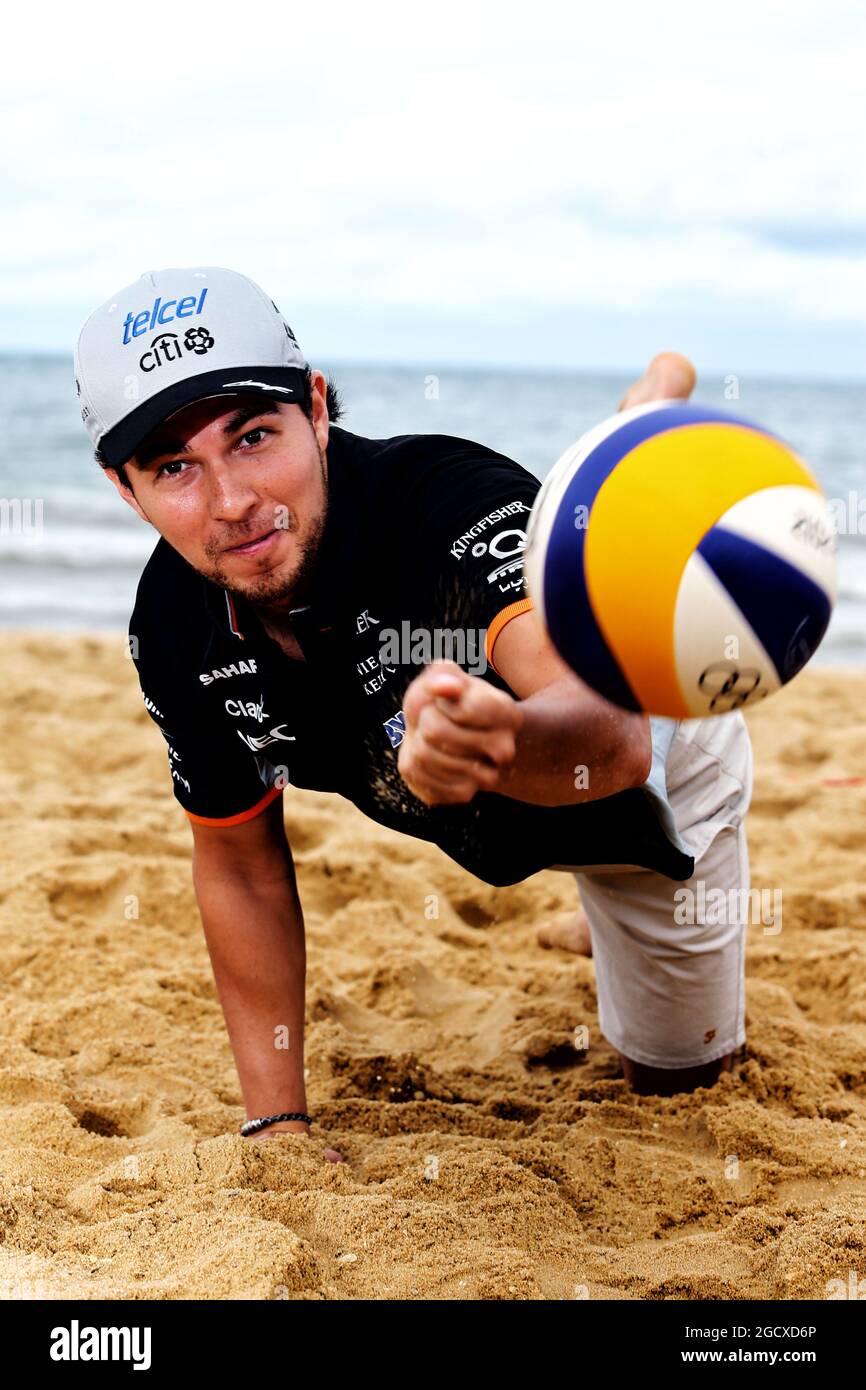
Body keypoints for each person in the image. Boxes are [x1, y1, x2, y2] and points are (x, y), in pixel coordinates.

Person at [74, 267, 753, 1161]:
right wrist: (276, 1122)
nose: (232, 504)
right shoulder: (174, 624)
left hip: (649, 752)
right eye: (174, 468)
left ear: (316, 409)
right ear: (128, 492)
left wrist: (497, 745)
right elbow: (238, 861)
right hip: (493, 815)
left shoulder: (445, 498)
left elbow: (618, 744)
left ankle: (640, 419)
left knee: (678, 1092)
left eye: (252, 437)